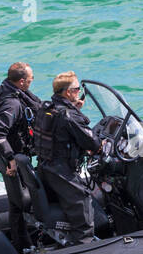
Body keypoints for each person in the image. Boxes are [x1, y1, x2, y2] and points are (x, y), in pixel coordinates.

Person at [35, 71, 103, 244]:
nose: (79, 92)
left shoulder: (47, 108)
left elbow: (61, 133)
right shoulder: (67, 115)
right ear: (68, 92)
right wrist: (75, 113)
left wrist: (74, 109)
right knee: (82, 199)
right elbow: (93, 143)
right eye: (77, 89)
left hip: (45, 167)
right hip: (61, 170)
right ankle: (85, 244)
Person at [0, 62, 42, 250]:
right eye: (31, 78)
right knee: (19, 202)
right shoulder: (12, 102)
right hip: (12, 158)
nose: (33, 80)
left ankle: (21, 242)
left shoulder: (7, 91)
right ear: (23, 81)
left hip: (13, 156)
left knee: (15, 200)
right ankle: (23, 244)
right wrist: (10, 159)